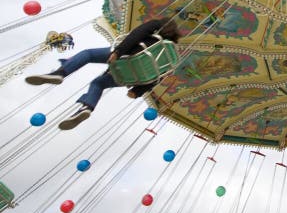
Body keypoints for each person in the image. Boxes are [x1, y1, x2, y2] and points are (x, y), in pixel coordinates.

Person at [25, 19, 180, 130]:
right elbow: (162, 73)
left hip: (129, 56)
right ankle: (87, 108)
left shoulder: (155, 26)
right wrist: (137, 91)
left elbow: (136, 35)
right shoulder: (170, 51)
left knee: (88, 54)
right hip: (135, 77)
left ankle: (61, 73)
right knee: (98, 83)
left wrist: (118, 51)